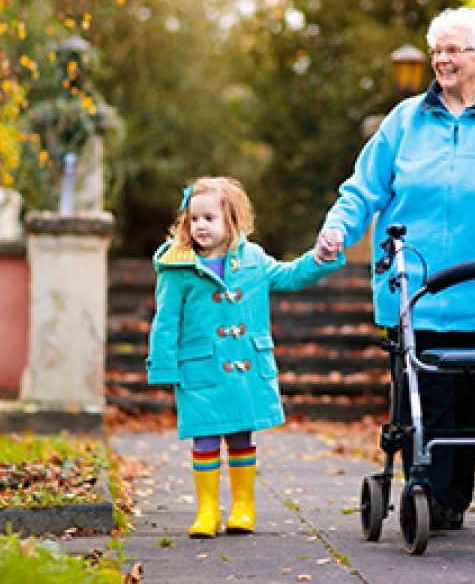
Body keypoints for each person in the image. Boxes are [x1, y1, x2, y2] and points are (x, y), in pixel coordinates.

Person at [315, 7, 475, 530]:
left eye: (454, 50)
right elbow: (363, 188)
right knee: (423, 397)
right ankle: (427, 490)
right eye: (437, 50)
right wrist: (338, 228)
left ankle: (451, 499)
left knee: (470, 408)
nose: (442, 59)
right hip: (413, 289)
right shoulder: (404, 120)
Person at [147, 176, 344, 538]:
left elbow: (289, 276)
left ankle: (243, 506)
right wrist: (163, 366)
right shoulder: (177, 268)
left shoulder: (252, 259)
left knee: (241, 436)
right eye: (194, 219)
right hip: (199, 369)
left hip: (244, 368)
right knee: (204, 438)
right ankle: (207, 510)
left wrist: (319, 258)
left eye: (210, 218)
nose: (200, 226)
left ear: (232, 220)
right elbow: (165, 320)